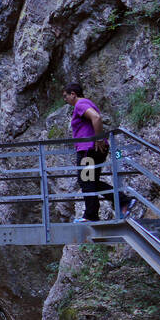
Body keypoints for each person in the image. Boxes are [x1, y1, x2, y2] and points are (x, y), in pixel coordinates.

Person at [63, 83, 135, 221]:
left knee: (85, 181)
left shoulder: (80, 104)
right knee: (91, 182)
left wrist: (99, 139)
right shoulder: (86, 103)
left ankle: (91, 215)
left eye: (66, 96)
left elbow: (96, 117)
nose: (65, 99)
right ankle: (123, 200)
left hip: (88, 149)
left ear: (73, 94)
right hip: (93, 149)